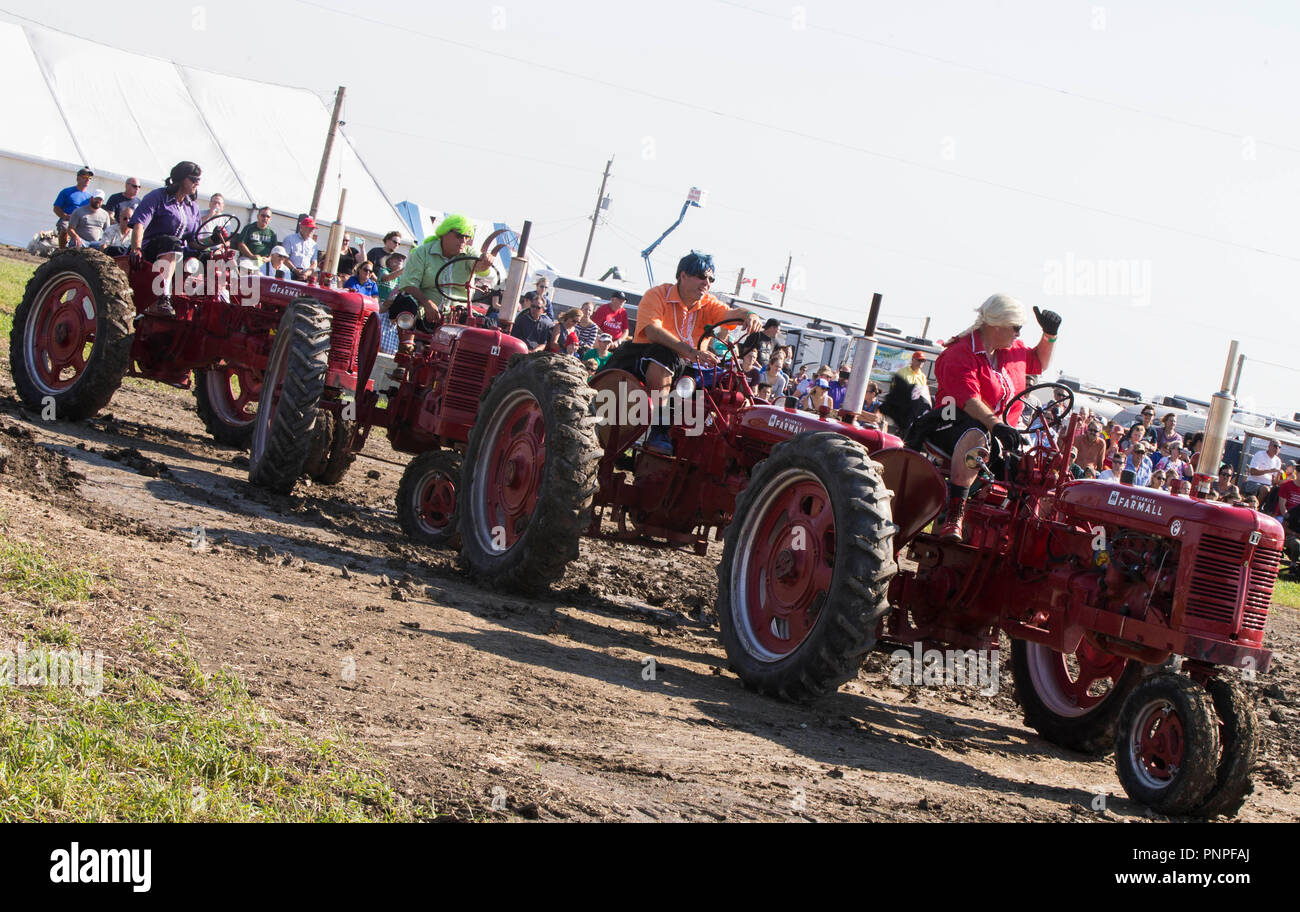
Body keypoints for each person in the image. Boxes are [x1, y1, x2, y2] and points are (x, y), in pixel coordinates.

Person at [907, 293, 1059, 541]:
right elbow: (969, 400)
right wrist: (997, 426)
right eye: (1016, 328)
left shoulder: (1012, 350)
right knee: (975, 435)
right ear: (996, 325)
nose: (1019, 334)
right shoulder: (959, 353)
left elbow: (1038, 364)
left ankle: (1018, 534)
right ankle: (954, 516)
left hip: (998, 430)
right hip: (950, 421)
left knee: (1035, 468)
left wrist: (1049, 336)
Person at [603, 251, 761, 455]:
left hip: (691, 366)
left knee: (733, 381)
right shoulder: (657, 294)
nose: (707, 283)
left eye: (711, 279)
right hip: (645, 359)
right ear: (683, 275)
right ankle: (659, 430)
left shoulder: (708, 303)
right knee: (665, 356)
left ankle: (730, 441)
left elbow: (732, 314)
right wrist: (691, 352)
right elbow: (652, 331)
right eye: (701, 276)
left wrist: (750, 314)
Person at [127, 161, 205, 317]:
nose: (197, 183)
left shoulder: (193, 207)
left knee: (209, 256)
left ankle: (204, 305)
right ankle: (163, 296)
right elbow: (139, 224)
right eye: (193, 179)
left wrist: (213, 241)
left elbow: (193, 241)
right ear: (181, 179)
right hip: (150, 251)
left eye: (199, 179)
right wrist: (136, 249)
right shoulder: (158, 197)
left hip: (178, 253)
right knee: (172, 243)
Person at [391, 214, 495, 322]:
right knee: (405, 303)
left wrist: (486, 261)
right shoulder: (423, 252)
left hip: (460, 315)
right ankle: (407, 339)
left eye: (467, 237)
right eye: (459, 236)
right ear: (444, 233)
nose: (463, 241)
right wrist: (426, 303)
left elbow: (479, 266)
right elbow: (409, 284)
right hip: (425, 313)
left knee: (489, 325)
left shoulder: (469, 253)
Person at [52, 167, 94, 248]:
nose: (88, 180)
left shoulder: (90, 197)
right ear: (78, 178)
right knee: (65, 229)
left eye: (90, 178)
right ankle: (62, 251)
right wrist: (65, 216)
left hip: (82, 222)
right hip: (67, 220)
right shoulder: (66, 192)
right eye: (85, 177)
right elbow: (56, 208)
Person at [283, 215, 319, 280]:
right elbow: (284, 258)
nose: (312, 230)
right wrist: (295, 270)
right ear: (301, 227)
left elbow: (314, 263)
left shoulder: (314, 245)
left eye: (313, 229)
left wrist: (307, 273)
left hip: (305, 275)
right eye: (310, 228)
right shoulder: (289, 239)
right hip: (290, 272)